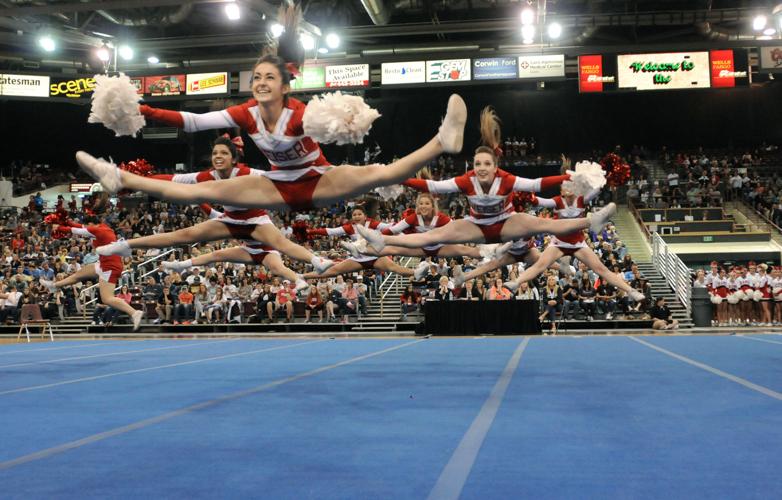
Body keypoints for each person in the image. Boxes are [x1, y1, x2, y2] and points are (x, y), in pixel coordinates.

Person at [78, 54, 467, 211]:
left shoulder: (299, 116)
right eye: (257, 77)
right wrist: (142, 109)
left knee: (380, 173)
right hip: (276, 184)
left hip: (317, 180)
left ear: (285, 86)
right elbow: (193, 121)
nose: (261, 82)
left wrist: (348, 117)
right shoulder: (244, 114)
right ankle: (120, 179)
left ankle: (441, 140)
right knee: (198, 190)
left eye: (269, 78)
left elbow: (346, 124)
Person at [356, 108, 616, 253]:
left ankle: (592, 221)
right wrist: (398, 177)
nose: (482, 168)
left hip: (506, 223)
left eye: (486, 164)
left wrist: (571, 176)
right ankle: (383, 240)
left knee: (541, 224)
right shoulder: (466, 180)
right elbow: (432, 186)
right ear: (474, 165)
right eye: (478, 163)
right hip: (476, 225)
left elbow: (537, 183)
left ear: (495, 166)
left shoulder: (506, 179)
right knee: (431, 237)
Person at [96, 138, 333, 276]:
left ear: (233, 158)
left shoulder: (248, 173)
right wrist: (136, 181)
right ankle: (124, 245)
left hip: (256, 222)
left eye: (223, 153)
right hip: (230, 221)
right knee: (183, 235)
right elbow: (172, 180)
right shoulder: (206, 176)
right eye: (214, 153)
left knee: (282, 244)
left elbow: (282, 178)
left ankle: (316, 261)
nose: (218, 156)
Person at [502, 183, 644, 302]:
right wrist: (522, 194)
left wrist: (601, 177)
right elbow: (537, 200)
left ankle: (630, 290)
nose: (568, 188)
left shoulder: (582, 199)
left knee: (601, 270)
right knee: (540, 265)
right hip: (558, 243)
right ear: (562, 191)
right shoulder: (556, 201)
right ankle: (516, 283)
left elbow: (597, 189)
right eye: (565, 186)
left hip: (578, 244)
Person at [40, 194, 143, 330]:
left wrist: (59, 228)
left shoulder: (97, 230)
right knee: (79, 275)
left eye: (87, 227)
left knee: (107, 299)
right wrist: (65, 221)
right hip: (104, 263)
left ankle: (134, 313)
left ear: (91, 225)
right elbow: (78, 226)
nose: (86, 229)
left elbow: (76, 230)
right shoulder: (99, 227)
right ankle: (55, 285)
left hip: (109, 267)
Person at [305, 206, 415, 279]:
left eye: (359, 214)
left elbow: (389, 226)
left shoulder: (372, 224)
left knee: (396, 269)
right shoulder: (349, 227)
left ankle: (417, 273)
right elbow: (330, 231)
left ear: (365, 216)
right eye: (354, 215)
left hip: (375, 258)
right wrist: (311, 231)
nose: (357, 216)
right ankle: (303, 276)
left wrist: (406, 222)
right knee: (334, 271)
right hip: (358, 259)